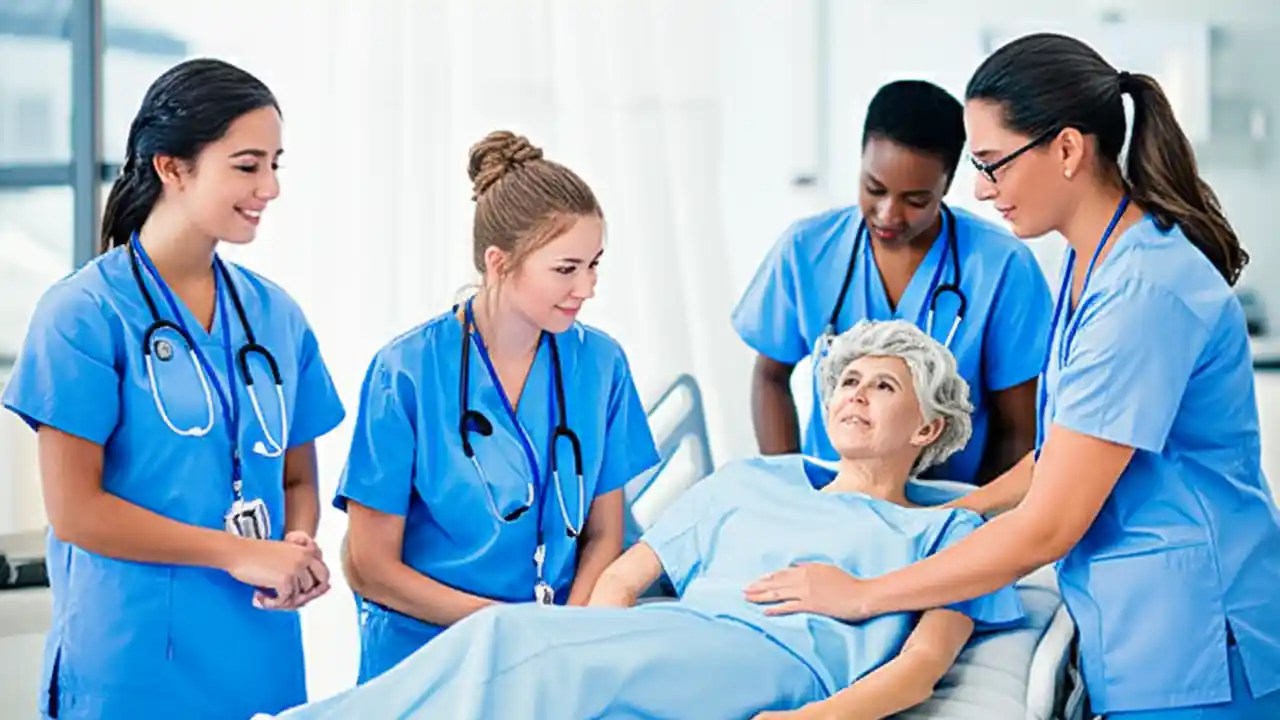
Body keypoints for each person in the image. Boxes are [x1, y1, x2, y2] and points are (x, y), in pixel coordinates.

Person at [743, 33, 1280, 719]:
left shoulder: (1141, 293)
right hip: (1147, 628)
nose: (979, 189)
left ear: (1065, 150)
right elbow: (1061, 452)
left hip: (1198, 642)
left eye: (994, 164)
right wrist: (943, 514)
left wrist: (865, 591)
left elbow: (1048, 525)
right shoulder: (1096, 266)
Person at [253, 319, 1023, 720]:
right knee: (516, 641)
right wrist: (589, 633)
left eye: (883, 387)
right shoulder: (755, 479)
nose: (854, 392)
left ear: (929, 429)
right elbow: (625, 576)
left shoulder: (945, 535)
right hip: (682, 637)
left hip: (782, 666)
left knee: (523, 648)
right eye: (847, 378)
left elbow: (921, 668)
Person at [0, 59, 346, 719]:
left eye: (276, 163)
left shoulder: (275, 317)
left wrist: (297, 547)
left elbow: (296, 480)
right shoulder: (84, 313)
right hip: (133, 662)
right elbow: (76, 509)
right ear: (172, 167)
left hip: (259, 656)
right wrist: (241, 552)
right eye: (247, 166)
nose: (269, 186)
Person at [336, 130, 661, 684]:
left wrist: (568, 633)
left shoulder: (600, 365)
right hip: (424, 656)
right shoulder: (407, 371)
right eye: (566, 268)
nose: (587, 287)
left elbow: (605, 533)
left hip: (550, 656)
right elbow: (369, 565)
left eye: (594, 265)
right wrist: (508, 628)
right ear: (498, 262)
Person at [733, 79, 1053, 486]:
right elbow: (769, 376)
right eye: (874, 188)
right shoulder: (807, 249)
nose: (888, 214)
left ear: (947, 184)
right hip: (831, 494)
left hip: (952, 500)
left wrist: (970, 520)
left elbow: (1019, 427)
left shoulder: (1002, 267)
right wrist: (793, 493)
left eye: (916, 200)